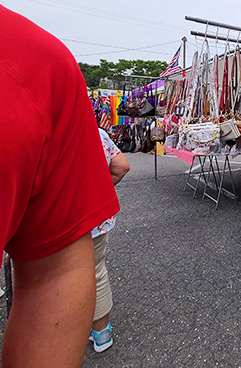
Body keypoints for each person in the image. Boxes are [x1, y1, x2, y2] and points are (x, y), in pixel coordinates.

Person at [0, 0, 120, 368]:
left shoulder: (37, 67)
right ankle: (101, 330)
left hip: (76, 223)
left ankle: (101, 329)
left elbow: (55, 275)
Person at [89, 128, 130, 352]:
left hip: (49, 222)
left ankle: (61, 331)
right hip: (93, 217)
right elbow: (122, 166)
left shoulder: (32, 129)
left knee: (45, 279)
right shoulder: (96, 133)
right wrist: (99, 190)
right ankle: (101, 332)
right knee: (96, 272)